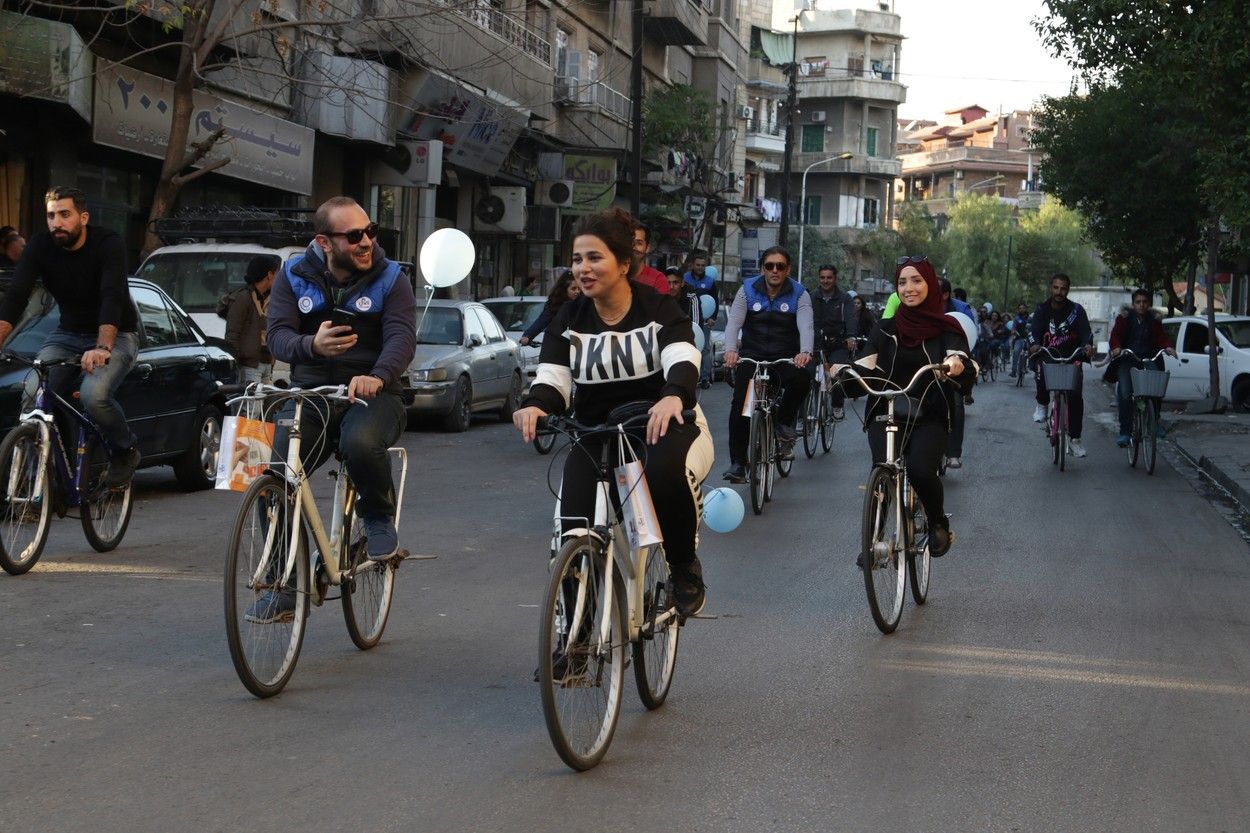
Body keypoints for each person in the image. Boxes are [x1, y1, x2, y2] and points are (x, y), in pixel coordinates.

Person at [512, 207, 713, 616]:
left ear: (623, 264)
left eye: (594, 258)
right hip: (595, 434)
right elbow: (553, 378)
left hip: (661, 425)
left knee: (663, 474)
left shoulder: (658, 308)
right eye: (577, 259)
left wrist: (674, 395)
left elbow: (683, 357)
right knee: (571, 530)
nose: (583, 268)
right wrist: (534, 404)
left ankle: (682, 567)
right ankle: (579, 636)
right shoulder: (569, 317)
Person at [249, 196, 417, 624]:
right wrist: (312, 345)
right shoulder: (293, 274)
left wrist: (378, 375)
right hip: (313, 394)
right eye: (355, 235)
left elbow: (401, 338)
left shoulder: (391, 278)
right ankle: (285, 585)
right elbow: (278, 336)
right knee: (274, 475)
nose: (367, 242)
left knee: (360, 441)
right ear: (324, 242)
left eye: (370, 231)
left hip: (375, 394)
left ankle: (377, 518)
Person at [0, 186, 141, 487]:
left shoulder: (108, 243)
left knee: (94, 396)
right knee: (33, 394)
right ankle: (40, 480)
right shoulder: (40, 246)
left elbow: (112, 295)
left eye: (65, 214)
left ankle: (124, 450)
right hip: (68, 334)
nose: (57, 223)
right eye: (51, 216)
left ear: (83, 217)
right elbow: (16, 296)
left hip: (117, 335)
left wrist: (102, 347)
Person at [834, 256, 972, 558]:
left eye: (917, 281)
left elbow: (962, 359)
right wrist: (845, 372)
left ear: (930, 284)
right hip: (886, 410)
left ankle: (938, 522)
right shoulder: (885, 328)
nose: (909, 288)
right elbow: (866, 362)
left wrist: (956, 364)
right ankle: (872, 541)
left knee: (921, 470)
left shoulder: (947, 328)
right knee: (882, 469)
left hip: (930, 412)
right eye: (902, 282)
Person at [720, 246, 813, 482]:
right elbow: (733, 324)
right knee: (741, 405)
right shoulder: (747, 290)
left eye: (780, 266)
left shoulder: (800, 293)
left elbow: (806, 326)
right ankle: (738, 463)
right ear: (763, 268)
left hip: (785, 358)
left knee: (803, 379)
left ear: (788, 269)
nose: (774, 271)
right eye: (769, 266)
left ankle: (783, 422)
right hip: (752, 357)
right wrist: (730, 350)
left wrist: (804, 352)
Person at [1028, 272, 1094, 457]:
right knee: (1041, 370)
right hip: (1048, 355)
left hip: (1072, 356)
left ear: (1068, 290)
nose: (1059, 292)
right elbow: (1033, 332)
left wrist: (1088, 345)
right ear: (1051, 287)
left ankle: (1075, 440)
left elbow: (1086, 333)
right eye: (1056, 287)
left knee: (1075, 396)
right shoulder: (1042, 309)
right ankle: (1042, 404)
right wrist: (1034, 345)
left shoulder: (1077, 310)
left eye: (1063, 288)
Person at [1106, 288, 1175, 447]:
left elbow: (1162, 338)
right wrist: (1116, 347)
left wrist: (1168, 347)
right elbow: (1115, 336)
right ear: (1133, 304)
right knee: (1125, 393)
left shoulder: (1154, 320)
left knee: (1156, 389)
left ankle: (1154, 423)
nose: (1141, 305)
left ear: (1149, 304)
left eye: (1144, 302)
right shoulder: (1124, 319)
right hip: (1127, 359)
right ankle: (1125, 431)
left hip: (1149, 359)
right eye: (1138, 302)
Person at [810, 264, 858, 420]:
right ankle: (802, 416)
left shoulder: (845, 298)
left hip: (838, 343)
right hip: (815, 343)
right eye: (822, 277)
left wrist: (851, 336)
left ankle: (837, 405)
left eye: (829, 277)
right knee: (804, 374)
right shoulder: (811, 297)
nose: (825, 281)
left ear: (835, 279)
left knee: (837, 371)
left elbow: (851, 319)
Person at [224, 254, 279, 384]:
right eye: (276, 273)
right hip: (250, 365)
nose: (278, 277)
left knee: (268, 397)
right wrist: (236, 363)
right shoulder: (243, 297)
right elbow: (232, 334)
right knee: (253, 398)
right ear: (269, 275)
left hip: (267, 362)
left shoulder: (270, 297)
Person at [938, 278, 973, 468]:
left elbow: (969, 336)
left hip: (955, 358)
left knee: (957, 404)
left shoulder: (961, 310)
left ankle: (953, 453)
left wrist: (958, 358)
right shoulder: (918, 308)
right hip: (927, 361)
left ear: (945, 295)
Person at [683, 251, 717, 389]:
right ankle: (687, 377)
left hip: (704, 321)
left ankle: (705, 378)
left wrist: (713, 318)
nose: (700, 267)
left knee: (705, 350)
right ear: (692, 265)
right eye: (698, 265)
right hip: (686, 320)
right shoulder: (684, 278)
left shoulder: (710, 281)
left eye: (703, 265)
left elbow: (715, 300)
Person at [519, 270, 579, 346]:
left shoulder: (584, 304)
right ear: (564, 290)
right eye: (573, 289)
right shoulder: (554, 304)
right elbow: (542, 321)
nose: (577, 291)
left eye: (579, 288)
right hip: (560, 344)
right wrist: (528, 335)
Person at [631, 222, 670, 295]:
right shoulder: (614, 276)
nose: (634, 247)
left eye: (639, 243)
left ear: (647, 248)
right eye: (630, 242)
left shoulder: (658, 280)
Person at [1008, 302, 1031, 378]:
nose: (1022, 309)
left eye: (1023, 308)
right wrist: (1013, 331)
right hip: (1019, 338)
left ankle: (1027, 366)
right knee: (1016, 352)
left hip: (1028, 338)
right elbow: (1014, 326)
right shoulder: (1017, 318)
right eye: (1020, 308)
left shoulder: (1030, 318)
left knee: (1029, 351)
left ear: (1026, 309)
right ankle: (1013, 371)